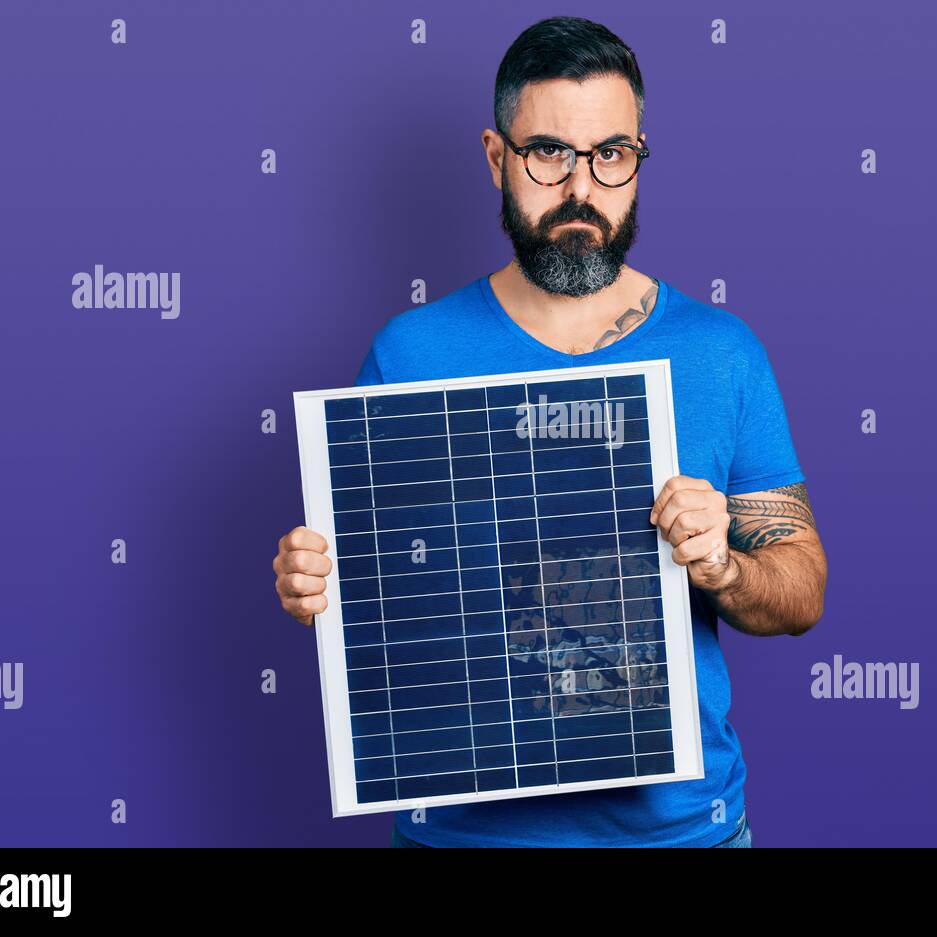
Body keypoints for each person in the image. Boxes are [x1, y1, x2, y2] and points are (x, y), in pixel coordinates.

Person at [273, 15, 827, 848]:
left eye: (610, 154)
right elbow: (368, 593)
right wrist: (314, 584)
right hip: (459, 838)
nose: (581, 189)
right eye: (549, 155)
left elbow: (802, 590)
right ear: (498, 157)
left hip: (680, 835)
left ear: (639, 157)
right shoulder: (410, 352)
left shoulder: (722, 354)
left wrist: (724, 564)